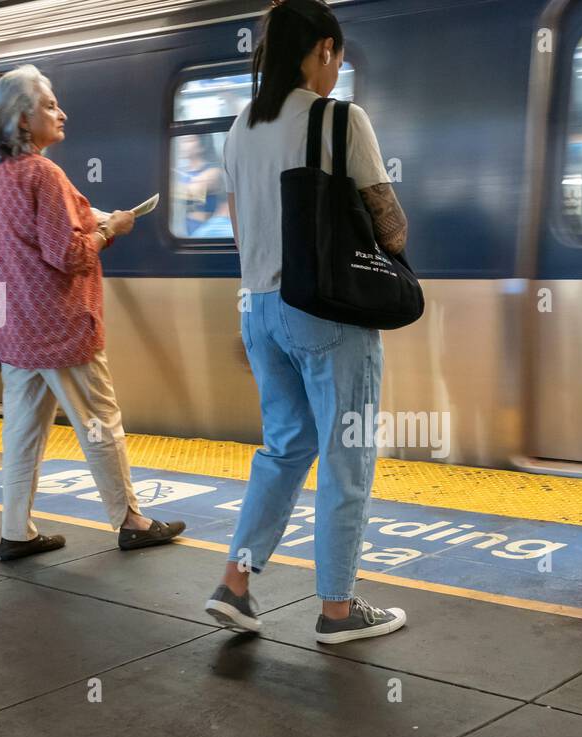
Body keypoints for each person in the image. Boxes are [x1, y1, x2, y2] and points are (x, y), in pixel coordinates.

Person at [204, 0, 410, 644]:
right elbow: (392, 228)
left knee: (285, 448)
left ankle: (235, 585)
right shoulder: (340, 119)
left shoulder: (242, 126)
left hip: (259, 309)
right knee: (348, 457)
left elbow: (241, 231)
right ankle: (338, 611)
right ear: (323, 49)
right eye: (337, 58)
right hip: (326, 312)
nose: (336, 71)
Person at [0, 64, 185, 561]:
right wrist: (112, 231)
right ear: (23, 120)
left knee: (23, 431)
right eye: (49, 105)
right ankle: (130, 520)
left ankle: (15, 530)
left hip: (13, 329)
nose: (61, 112)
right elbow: (66, 254)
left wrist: (93, 221)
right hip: (58, 326)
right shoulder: (44, 173)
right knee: (99, 421)